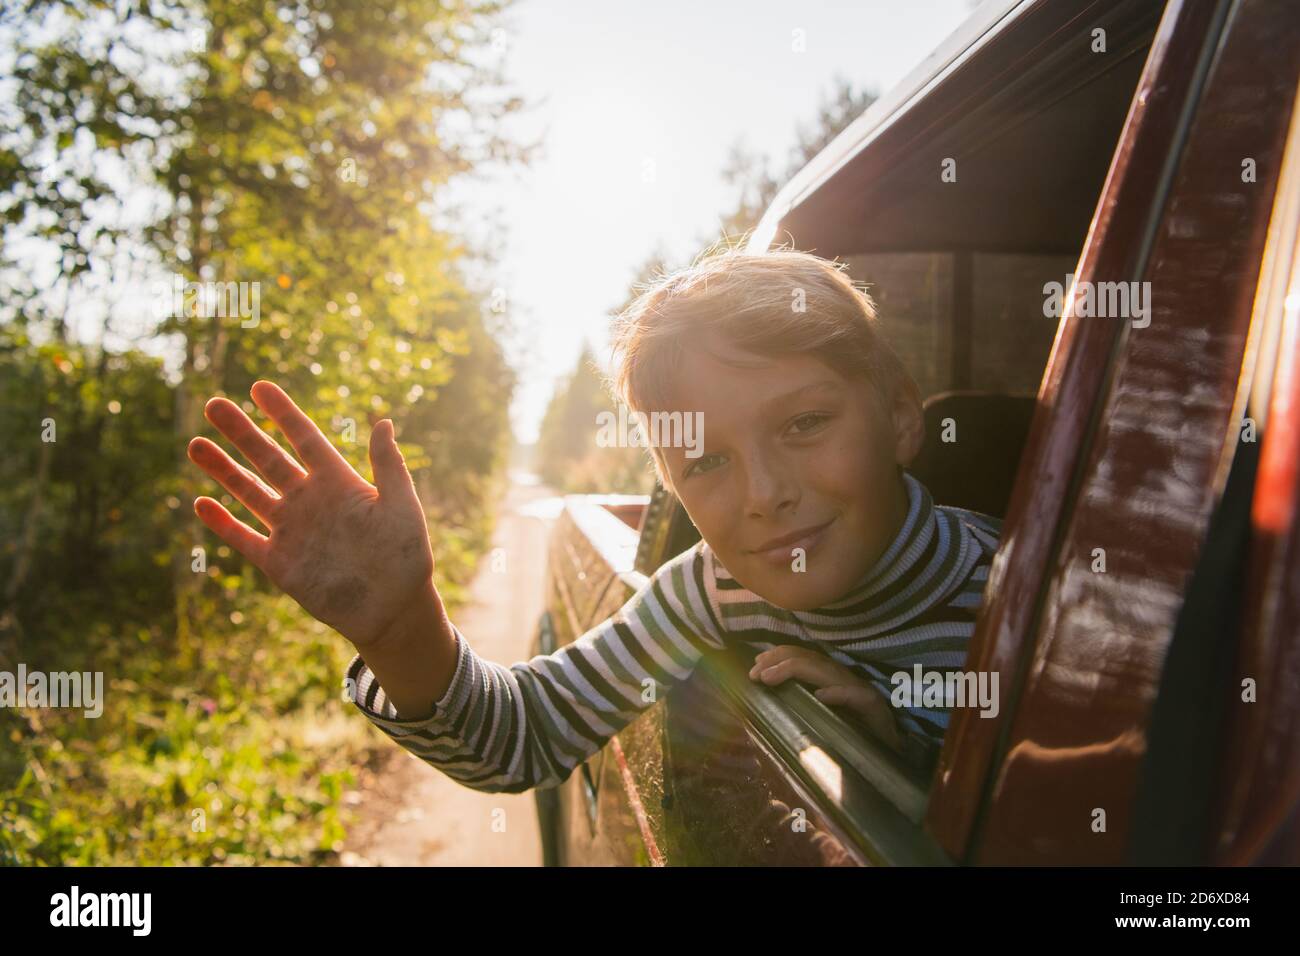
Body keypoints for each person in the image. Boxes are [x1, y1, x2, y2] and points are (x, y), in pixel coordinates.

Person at [187, 245, 1001, 793]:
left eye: (804, 425)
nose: (763, 493)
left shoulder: (1026, 595)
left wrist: (908, 754)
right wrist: (401, 628)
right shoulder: (708, 592)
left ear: (898, 413)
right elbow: (525, 734)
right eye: (706, 462)